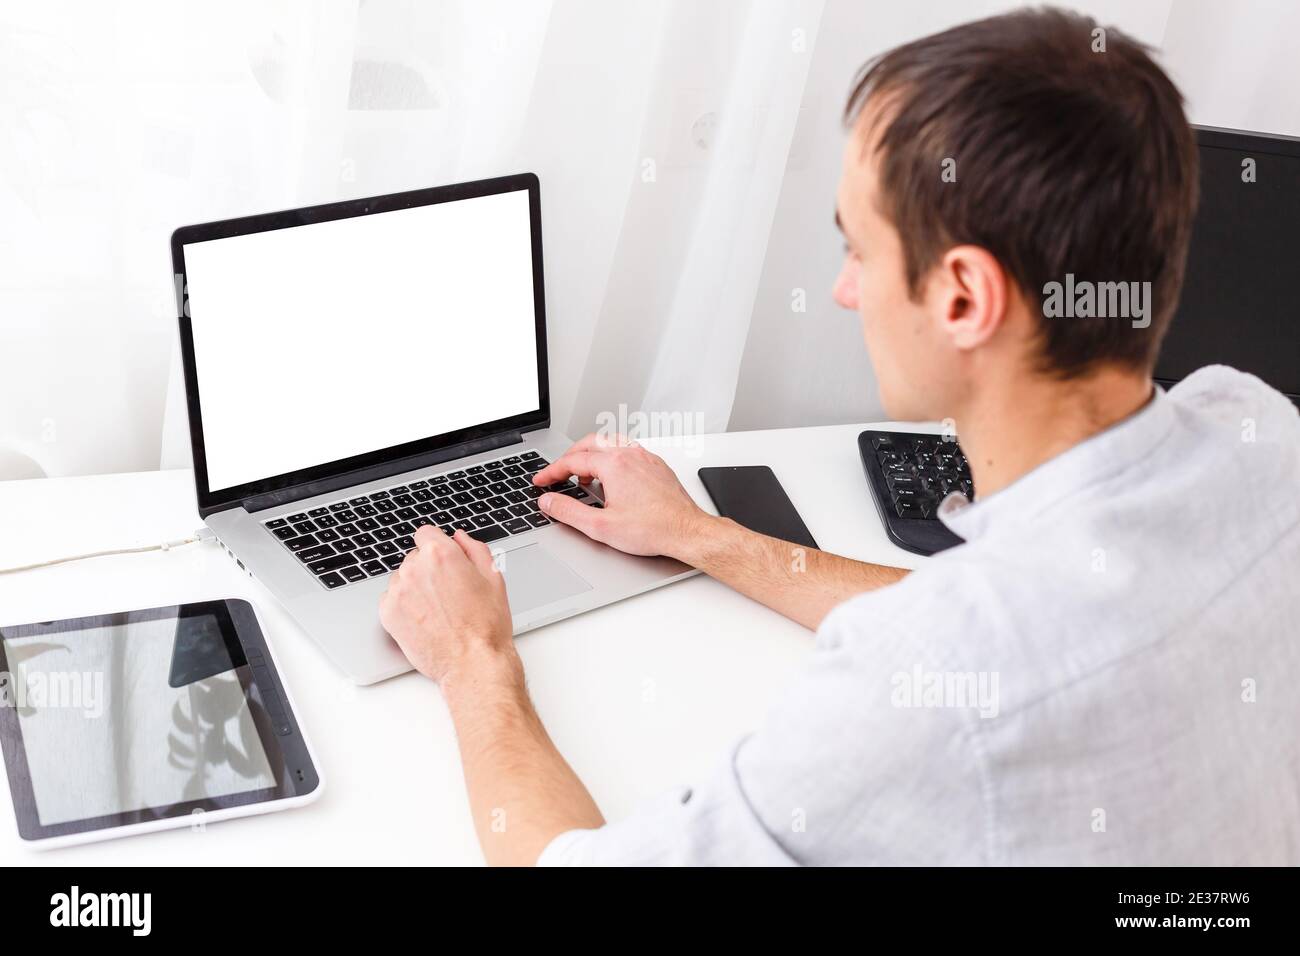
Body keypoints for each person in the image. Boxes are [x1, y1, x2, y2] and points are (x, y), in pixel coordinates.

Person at [379, 7, 1300, 865]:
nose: (843, 291)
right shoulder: (1257, 429)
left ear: (965, 298)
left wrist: (474, 661)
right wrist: (703, 536)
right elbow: (1008, 619)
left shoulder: (917, 694)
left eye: (860, 249)